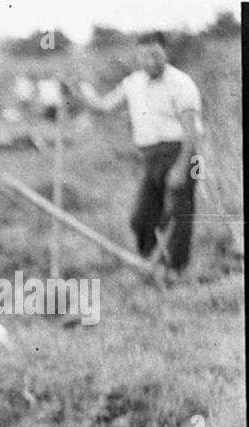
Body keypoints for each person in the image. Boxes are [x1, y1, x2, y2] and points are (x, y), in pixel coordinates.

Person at [78, 31, 203, 275]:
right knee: (141, 219)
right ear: (138, 57)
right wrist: (80, 94)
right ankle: (152, 264)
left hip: (181, 153)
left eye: (156, 55)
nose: (151, 61)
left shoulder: (181, 83)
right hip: (150, 157)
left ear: (165, 52)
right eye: (145, 56)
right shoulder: (132, 83)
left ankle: (175, 272)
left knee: (179, 216)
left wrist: (180, 168)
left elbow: (192, 131)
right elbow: (104, 107)